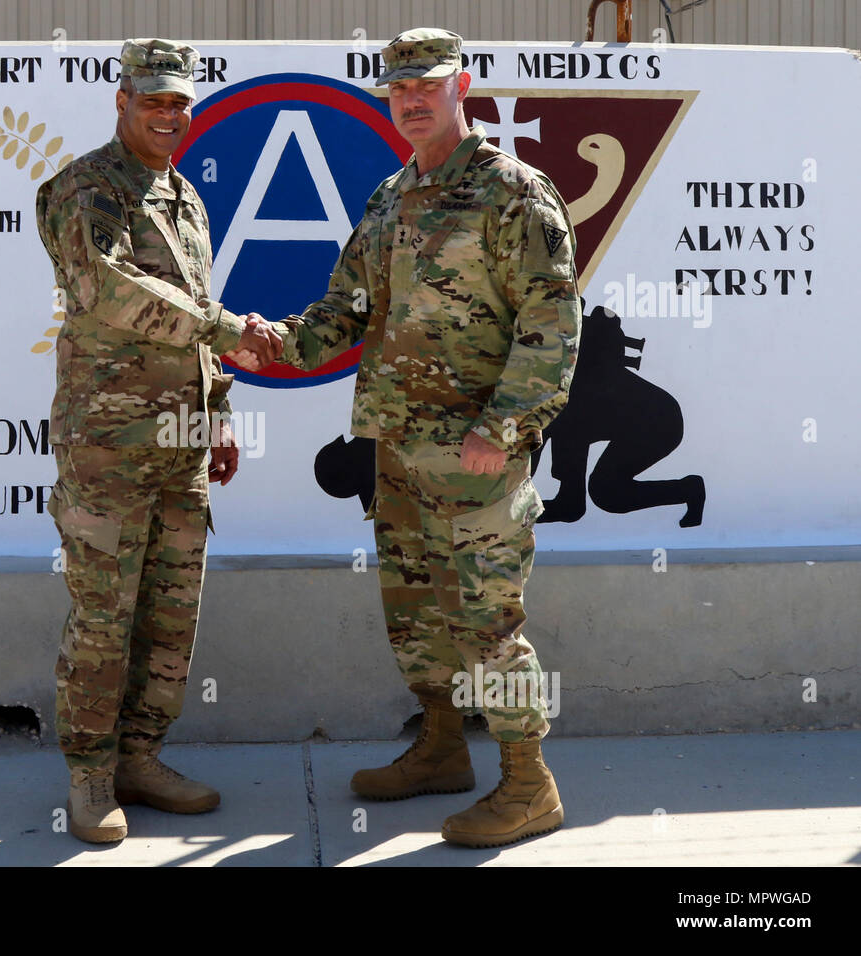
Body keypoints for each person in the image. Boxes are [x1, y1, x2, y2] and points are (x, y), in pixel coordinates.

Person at [245, 27, 581, 848]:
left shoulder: (513, 194)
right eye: (398, 89)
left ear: (460, 85)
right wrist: (277, 342)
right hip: (397, 451)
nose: (412, 100)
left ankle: (529, 784)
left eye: (426, 85)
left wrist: (501, 430)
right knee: (418, 614)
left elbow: (552, 324)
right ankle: (439, 748)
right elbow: (349, 308)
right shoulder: (391, 197)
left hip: (477, 461)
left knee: (486, 622)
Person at [34, 37, 282, 844]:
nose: (169, 115)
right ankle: (89, 777)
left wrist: (218, 411)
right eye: (154, 101)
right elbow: (106, 290)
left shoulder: (185, 199)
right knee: (104, 616)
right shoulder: (83, 189)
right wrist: (222, 328)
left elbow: (194, 316)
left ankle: (140, 757)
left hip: (181, 445)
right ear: (122, 101)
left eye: (180, 102)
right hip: (108, 446)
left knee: (171, 619)